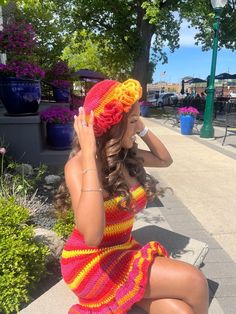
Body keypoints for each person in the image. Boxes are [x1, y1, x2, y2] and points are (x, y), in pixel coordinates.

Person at [57, 79, 209, 314]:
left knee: (180, 311)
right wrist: (89, 154)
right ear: (112, 126)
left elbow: (164, 160)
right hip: (91, 262)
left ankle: (126, 294)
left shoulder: (124, 155)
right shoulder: (78, 166)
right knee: (194, 280)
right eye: (132, 121)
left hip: (124, 249)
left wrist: (141, 127)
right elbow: (93, 236)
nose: (137, 127)